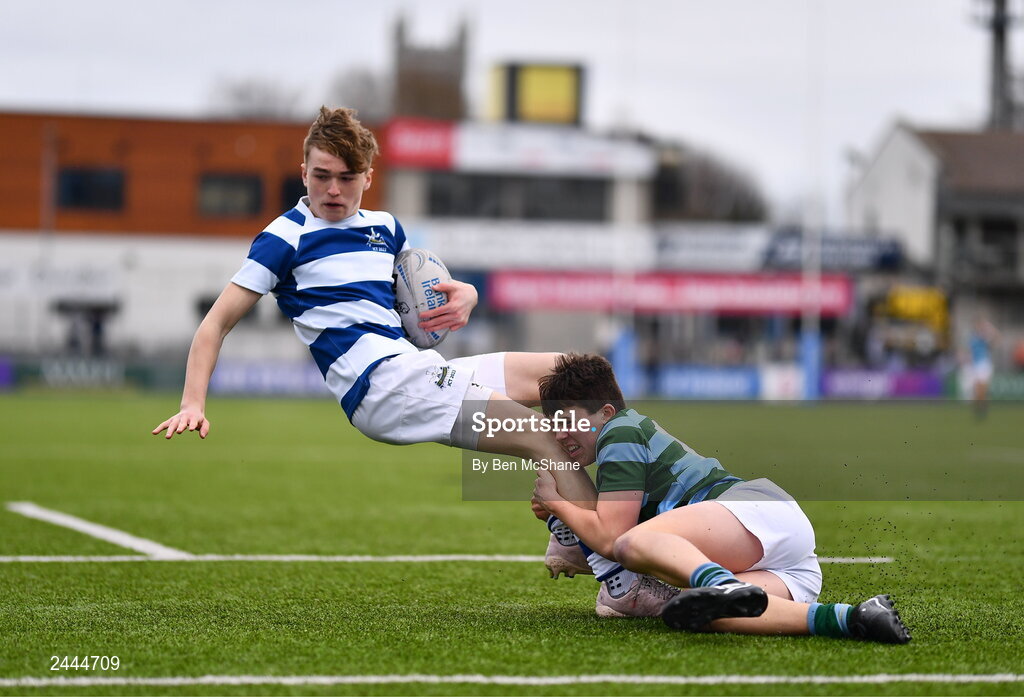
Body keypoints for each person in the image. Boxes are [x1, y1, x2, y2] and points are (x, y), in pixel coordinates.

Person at [152, 106, 598, 510]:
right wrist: (193, 402)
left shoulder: (386, 228)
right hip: (381, 389)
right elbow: (215, 324)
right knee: (546, 438)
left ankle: (568, 528)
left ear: (368, 177)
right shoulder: (282, 238)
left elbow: (420, 291)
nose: (333, 189)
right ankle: (617, 574)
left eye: (347, 177)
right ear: (303, 171)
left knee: (577, 376)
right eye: (321, 175)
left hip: (418, 369)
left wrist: (468, 295)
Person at [531, 353, 911, 643]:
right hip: (791, 563)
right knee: (708, 615)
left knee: (633, 542)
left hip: (753, 512)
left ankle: (724, 585)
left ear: (606, 412)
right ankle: (853, 617)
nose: (561, 434)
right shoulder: (622, 433)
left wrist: (558, 505)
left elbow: (614, 539)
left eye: (568, 420)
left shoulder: (620, 431)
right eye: (554, 425)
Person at [966, 315, 1000, 419]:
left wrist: (990, 328)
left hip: (983, 364)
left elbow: (996, 339)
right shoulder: (972, 337)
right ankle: (980, 407)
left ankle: (983, 408)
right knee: (976, 388)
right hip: (975, 365)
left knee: (982, 388)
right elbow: (970, 352)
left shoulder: (983, 337)